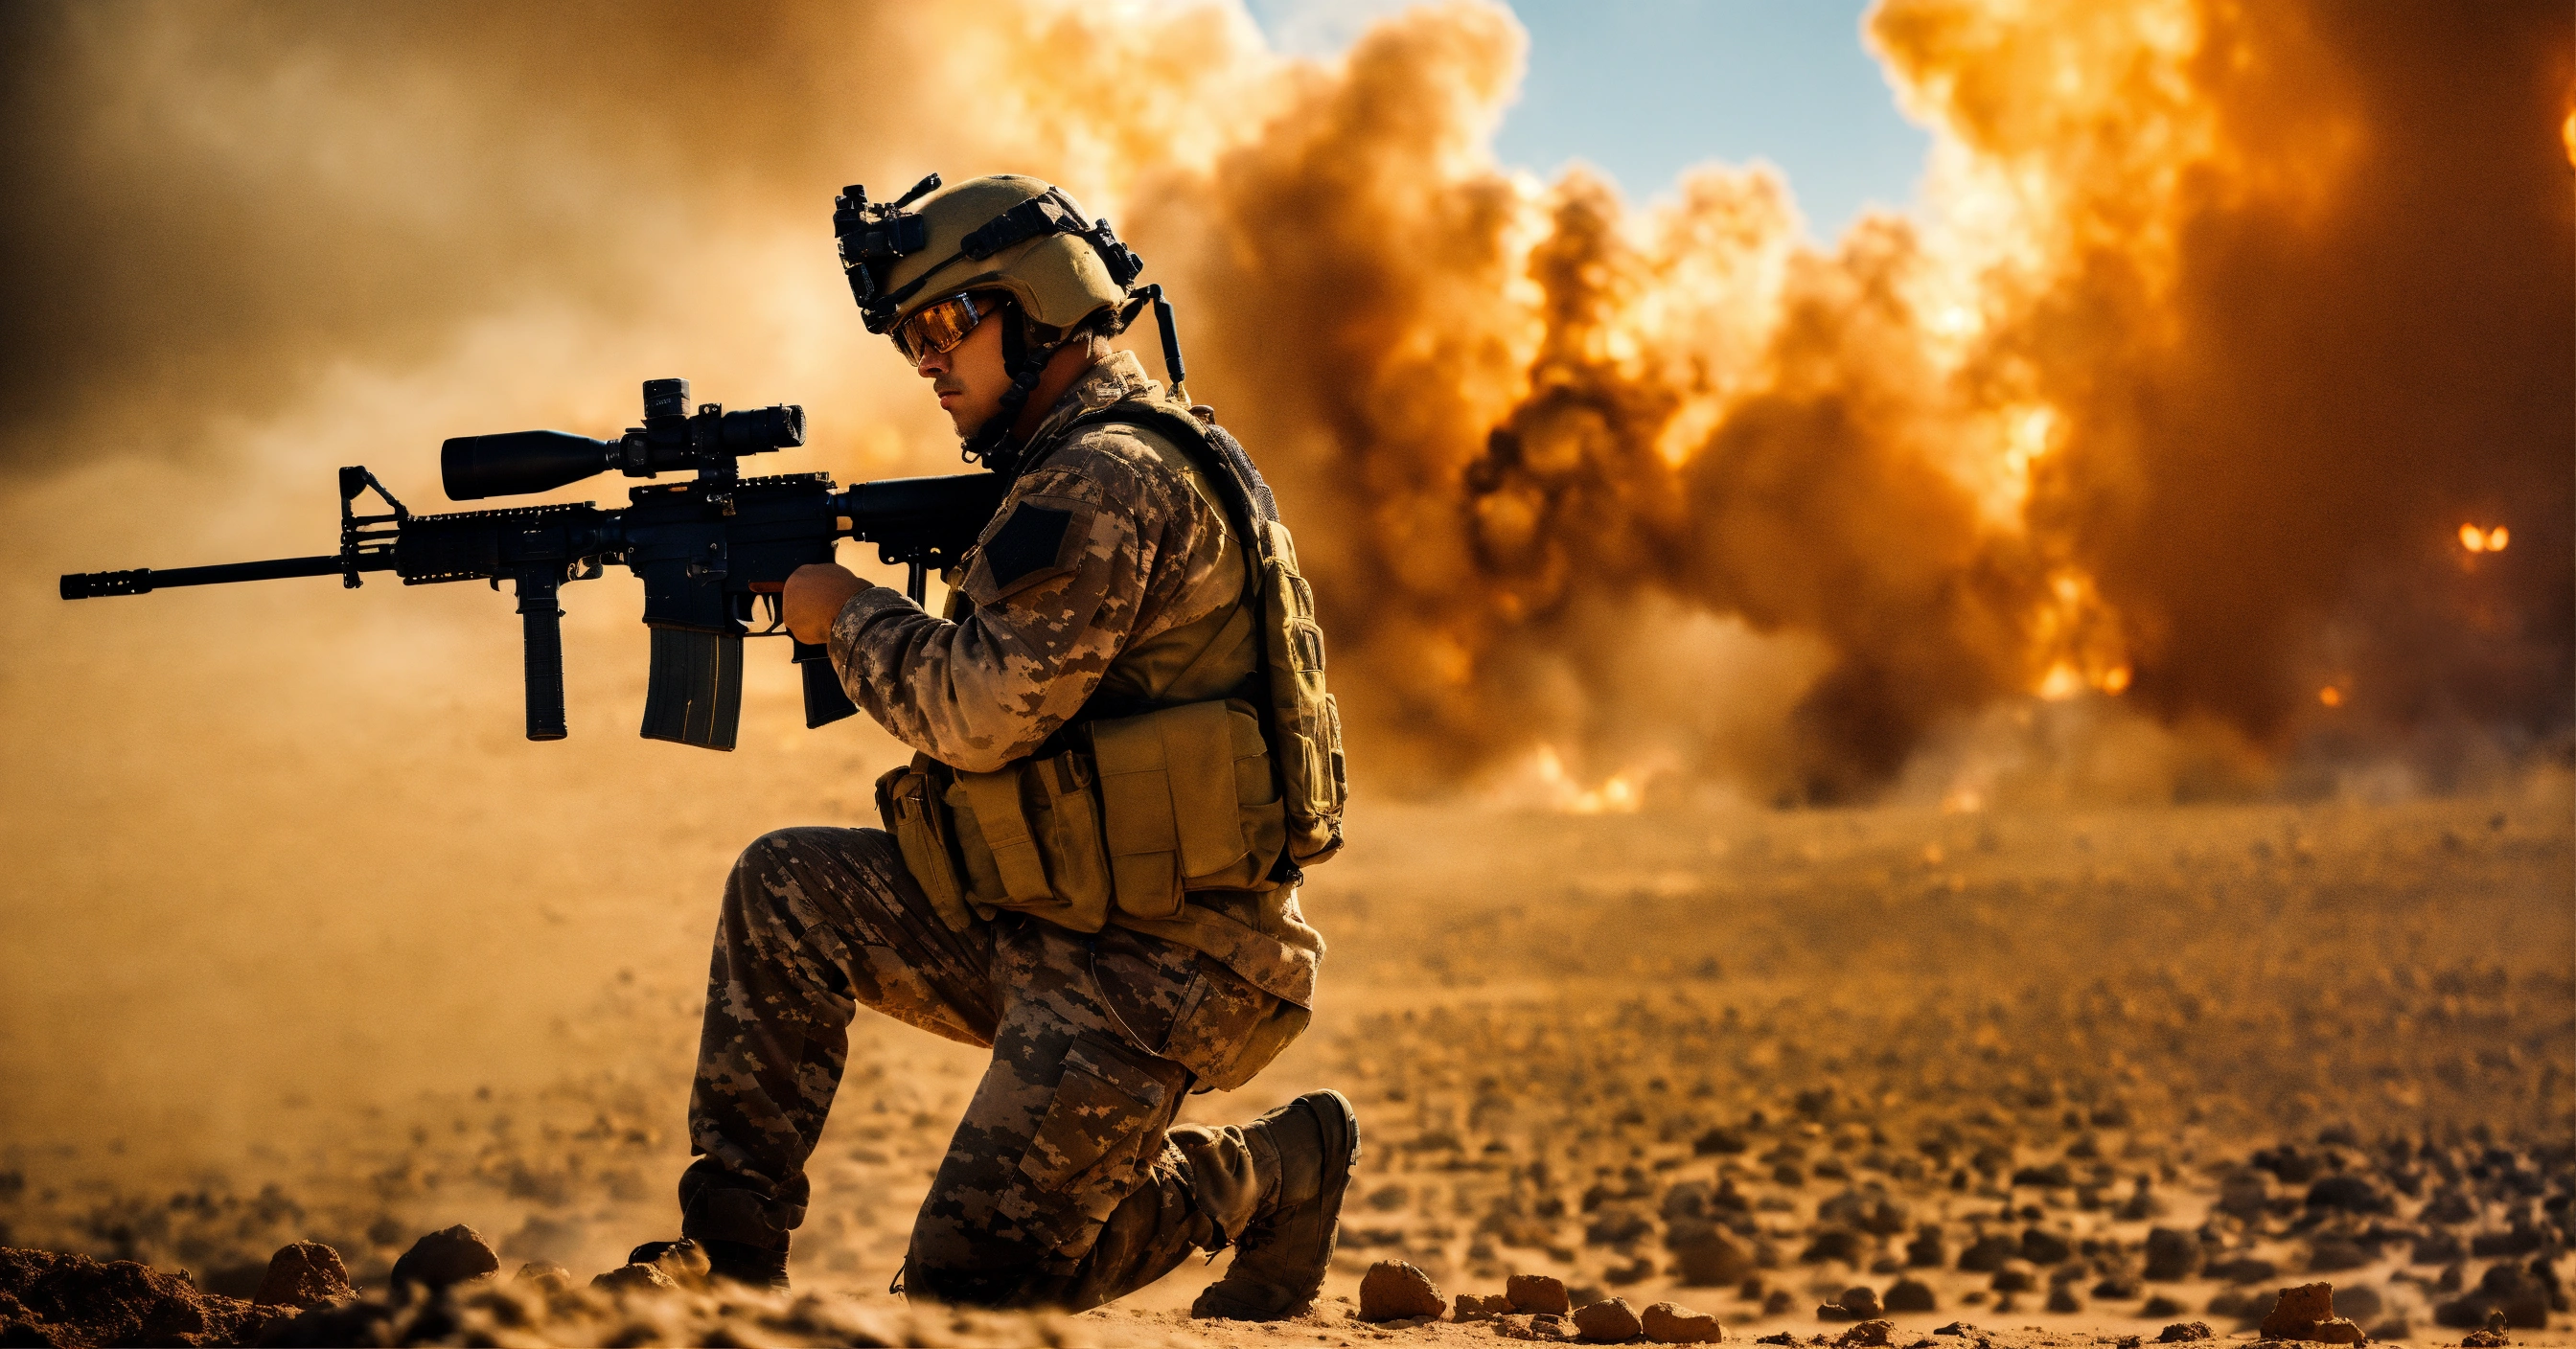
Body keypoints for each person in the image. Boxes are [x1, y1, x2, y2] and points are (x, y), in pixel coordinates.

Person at [632, 173, 1355, 1317]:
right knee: (788, 889)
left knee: (970, 1296)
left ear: (1034, 302)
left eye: (941, 326)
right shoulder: (1067, 465)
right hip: (1054, 914)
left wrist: (841, 612)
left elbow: (978, 716)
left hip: (1162, 964)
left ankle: (1270, 1168)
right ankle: (726, 1261)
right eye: (911, 337)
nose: (925, 363)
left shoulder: (1106, 479)